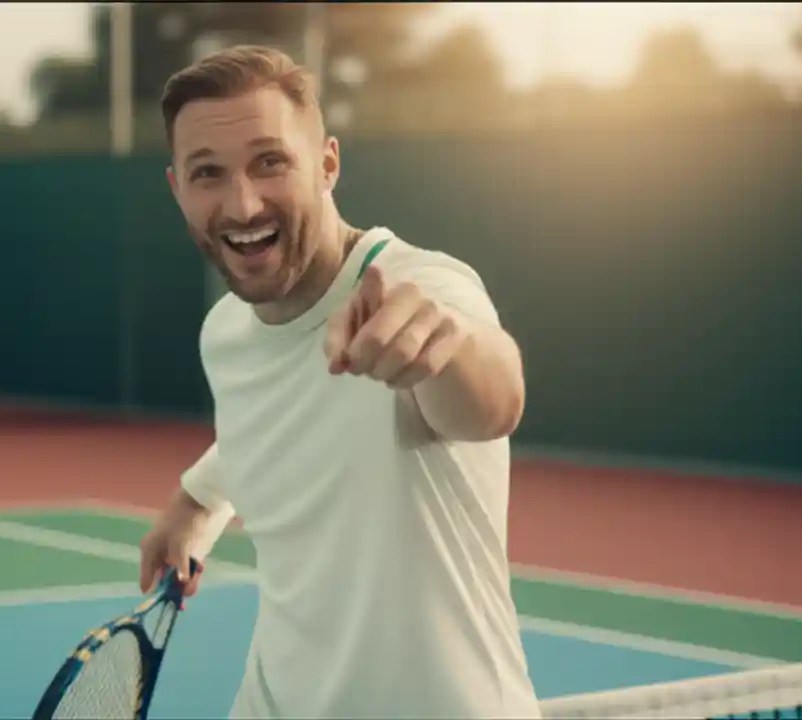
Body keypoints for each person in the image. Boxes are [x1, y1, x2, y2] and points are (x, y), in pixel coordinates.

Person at [137, 45, 539, 719]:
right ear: (179, 189)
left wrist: (443, 347)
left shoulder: (419, 286)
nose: (243, 203)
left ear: (327, 165)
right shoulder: (224, 332)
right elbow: (270, 421)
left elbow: (491, 403)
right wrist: (194, 502)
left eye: (270, 162)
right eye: (209, 174)